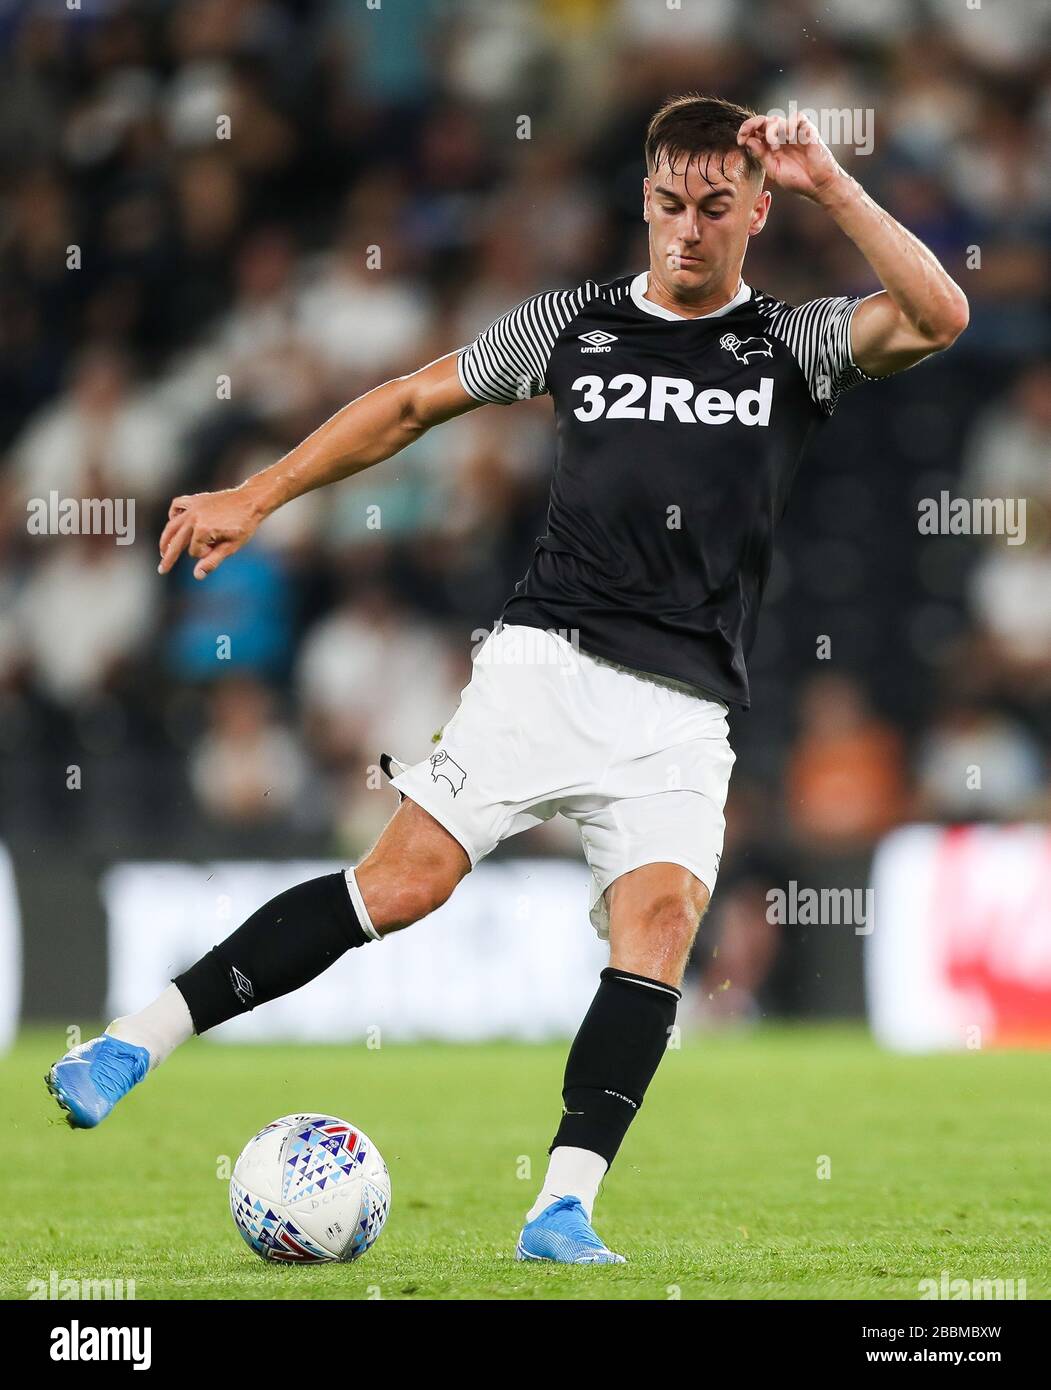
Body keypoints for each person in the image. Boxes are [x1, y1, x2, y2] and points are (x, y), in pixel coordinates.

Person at [47, 96, 968, 1265]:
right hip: (547, 662)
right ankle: (134, 1038)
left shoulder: (792, 343)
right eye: (670, 206)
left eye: (716, 208)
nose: (688, 231)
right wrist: (259, 492)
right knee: (405, 882)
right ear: (644, 200)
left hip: (684, 704)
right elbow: (411, 402)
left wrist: (836, 183)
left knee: (661, 926)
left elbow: (939, 315)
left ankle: (561, 1208)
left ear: (757, 210)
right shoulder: (572, 325)